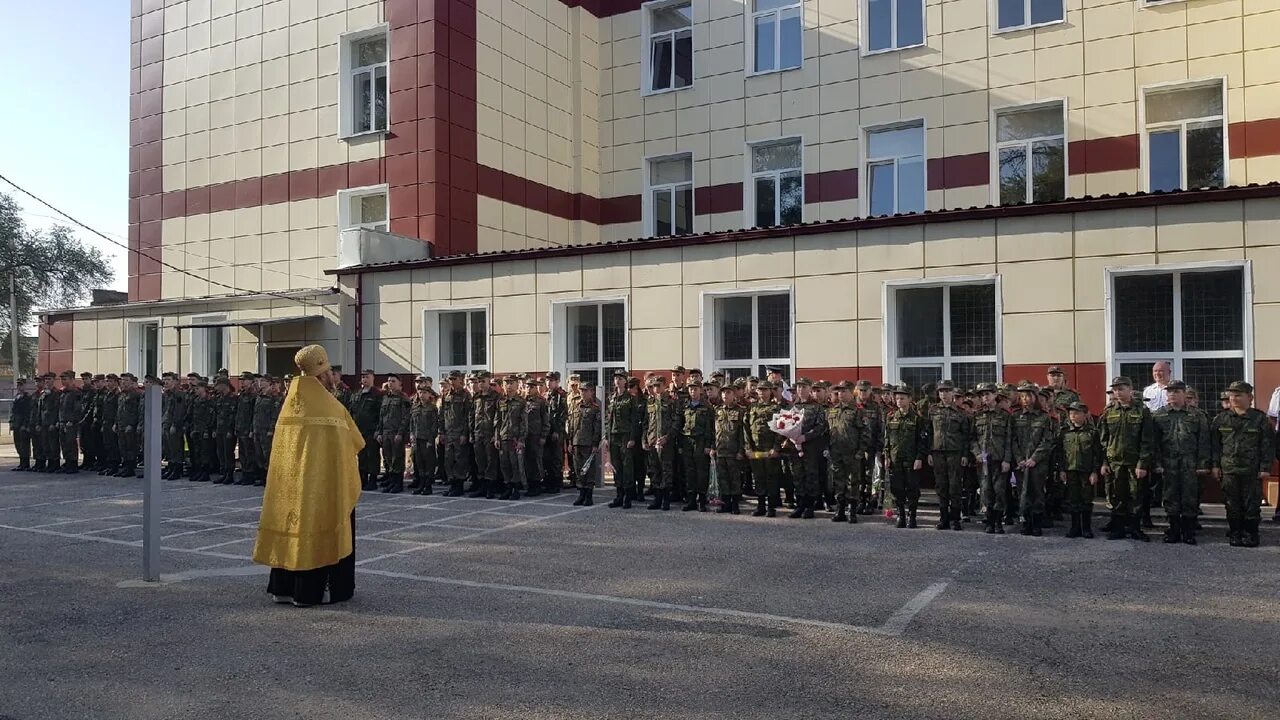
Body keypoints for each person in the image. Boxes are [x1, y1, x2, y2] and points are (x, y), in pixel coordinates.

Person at [254, 345, 363, 608]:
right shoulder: (331, 406)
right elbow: (354, 442)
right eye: (330, 373)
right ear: (323, 373)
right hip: (320, 486)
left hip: (290, 486)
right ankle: (315, 592)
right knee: (321, 528)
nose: (332, 378)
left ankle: (283, 589)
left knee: (291, 527)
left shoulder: (290, 403)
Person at [1210, 381, 1276, 548]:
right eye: (1232, 395)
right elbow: (1215, 446)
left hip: (1252, 470)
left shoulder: (1259, 419)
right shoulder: (1221, 419)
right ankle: (1235, 533)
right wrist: (1215, 466)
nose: (1234, 398)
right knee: (1231, 503)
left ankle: (1251, 534)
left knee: (1251, 503)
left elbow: (1267, 446)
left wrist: (1265, 468)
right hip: (1229, 469)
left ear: (1250, 397)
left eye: (1238, 395)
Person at [1151, 381, 1211, 545]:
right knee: (1170, 496)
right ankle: (1173, 529)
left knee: (1189, 497)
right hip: (1168, 463)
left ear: (1184, 394)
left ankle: (1188, 531)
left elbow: (1204, 441)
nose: (1172, 394)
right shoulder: (1158, 415)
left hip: (1190, 463)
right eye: (1169, 392)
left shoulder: (1197, 415)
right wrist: (1157, 463)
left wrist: (1203, 464)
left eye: (1176, 391)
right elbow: (1154, 443)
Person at [1098, 377, 1155, 542]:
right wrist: (1104, 462)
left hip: (1134, 462)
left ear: (1130, 389)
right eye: (1115, 389)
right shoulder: (1109, 411)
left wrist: (1142, 463)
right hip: (1114, 462)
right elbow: (1103, 439)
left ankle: (1135, 528)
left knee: (1136, 496)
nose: (1118, 392)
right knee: (1117, 495)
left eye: (1121, 389)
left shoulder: (1142, 411)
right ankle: (1118, 529)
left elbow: (1147, 440)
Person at [1011, 381, 1054, 536]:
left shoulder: (1044, 417)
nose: (1026, 399)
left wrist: (1034, 458)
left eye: (1028, 396)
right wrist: (1019, 459)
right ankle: (1026, 522)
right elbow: (1013, 440)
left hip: (1038, 463)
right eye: (1022, 396)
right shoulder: (1016, 416)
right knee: (1023, 492)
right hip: (1021, 462)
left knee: (1037, 493)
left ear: (1035, 397)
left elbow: (1047, 441)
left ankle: (1037, 524)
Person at [928, 380, 971, 531]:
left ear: (953, 393)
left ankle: (955, 519)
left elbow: (966, 436)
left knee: (955, 487)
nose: (944, 394)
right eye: (941, 391)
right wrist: (929, 452)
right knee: (941, 487)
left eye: (947, 391)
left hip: (955, 453)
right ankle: (943, 519)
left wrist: (965, 455)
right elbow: (929, 433)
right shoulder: (933, 411)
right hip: (938, 452)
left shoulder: (961, 413)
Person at [884, 385, 928, 529]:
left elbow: (922, 440)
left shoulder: (917, 419)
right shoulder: (891, 417)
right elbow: (887, 439)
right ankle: (901, 515)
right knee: (897, 489)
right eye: (897, 398)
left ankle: (912, 515)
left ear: (909, 399)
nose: (899, 401)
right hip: (895, 459)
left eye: (902, 398)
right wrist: (887, 456)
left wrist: (919, 458)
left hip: (911, 460)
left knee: (912, 489)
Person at [1057, 402, 1102, 539]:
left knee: (1086, 500)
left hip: (1086, 471)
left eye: (1076, 413)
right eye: (1071, 413)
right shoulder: (1064, 432)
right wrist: (1061, 470)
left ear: (1085, 414)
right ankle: (1075, 528)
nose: (1073, 416)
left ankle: (1086, 528)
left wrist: (1094, 471)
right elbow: (1060, 453)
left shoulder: (1092, 432)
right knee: (1073, 499)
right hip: (1070, 470)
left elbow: (1097, 454)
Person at [826, 381, 869, 524]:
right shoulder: (833, 410)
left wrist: (861, 451)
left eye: (844, 391)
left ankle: (852, 511)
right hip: (836, 452)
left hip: (852, 452)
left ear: (852, 393)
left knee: (853, 482)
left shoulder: (858, 410)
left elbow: (865, 432)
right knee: (838, 481)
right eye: (839, 391)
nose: (840, 394)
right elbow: (828, 431)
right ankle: (840, 510)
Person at [972, 383, 1012, 534]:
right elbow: (972, 438)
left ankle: (998, 521)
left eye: (988, 394)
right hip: (983, 461)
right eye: (982, 395)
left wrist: (1007, 460)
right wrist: (977, 453)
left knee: (999, 491)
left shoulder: (1004, 415)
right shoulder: (977, 415)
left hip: (999, 459)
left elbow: (1009, 439)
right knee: (986, 490)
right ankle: (989, 521)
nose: (985, 397)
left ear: (995, 395)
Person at [746, 381, 784, 517]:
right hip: (756, 449)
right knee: (758, 477)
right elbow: (746, 429)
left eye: (765, 389)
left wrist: (776, 448)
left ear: (770, 391)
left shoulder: (776, 408)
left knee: (771, 478)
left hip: (770, 449)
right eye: (760, 390)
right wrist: (748, 448)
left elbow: (780, 430)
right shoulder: (751, 408)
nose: (762, 392)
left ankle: (771, 507)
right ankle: (760, 506)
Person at [604, 373, 642, 509]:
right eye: (616, 378)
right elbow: (608, 419)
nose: (617, 381)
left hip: (625, 436)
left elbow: (635, 420)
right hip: (614, 435)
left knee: (627, 467)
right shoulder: (612, 398)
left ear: (625, 381)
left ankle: (627, 497)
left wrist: (632, 438)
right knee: (617, 466)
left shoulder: (631, 398)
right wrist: (607, 437)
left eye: (620, 378)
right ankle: (619, 495)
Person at [644, 375, 680, 511]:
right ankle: (657, 499)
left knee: (666, 471)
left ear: (664, 386)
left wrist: (668, 437)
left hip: (666, 442)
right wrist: (645, 440)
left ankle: (666, 499)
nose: (656, 388)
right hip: (653, 441)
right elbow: (646, 423)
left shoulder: (672, 401)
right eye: (654, 386)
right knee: (655, 471)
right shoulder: (650, 402)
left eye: (658, 385)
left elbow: (676, 423)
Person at [679, 382, 715, 512]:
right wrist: (681, 445)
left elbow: (710, 428)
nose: (693, 391)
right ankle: (691, 501)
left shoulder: (707, 407)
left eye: (695, 389)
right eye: (691, 389)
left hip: (701, 442)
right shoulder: (685, 406)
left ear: (700, 390)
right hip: (687, 441)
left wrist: (708, 445)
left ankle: (702, 501)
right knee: (689, 472)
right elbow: (680, 425)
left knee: (701, 473)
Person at [712, 383, 747, 514]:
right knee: (723, 479)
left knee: (735, 479)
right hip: (720, 450)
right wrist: (713, 447)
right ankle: (725, 504)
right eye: (723, 392)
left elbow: (743, 433)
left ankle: (735, 505)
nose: (725, 395)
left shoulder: (740, 411)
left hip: (733, 451)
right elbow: (713, 431)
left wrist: (741, 450)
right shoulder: (717, 410)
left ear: (734, 395)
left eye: (728, 392)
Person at [567, 381, 602, 506]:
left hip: (588, 443)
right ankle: (581, 494)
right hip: (576, 442)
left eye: (585, 390)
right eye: (581, 390)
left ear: (591, 392)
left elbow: (597, 428)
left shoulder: (595, 408)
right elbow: (571, 425)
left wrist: (595, 444)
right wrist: (570, 442)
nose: (582, 393)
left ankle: (589, 496)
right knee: (578, 470)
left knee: (589, 470)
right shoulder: (576, 406)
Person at [495, 375, 527, 500]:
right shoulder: (501, 401)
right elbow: (497, 421)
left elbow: (524, 422)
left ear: (517, 385)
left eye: (511, 383)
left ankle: (515, 489)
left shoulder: (521, 402)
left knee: (515, 464)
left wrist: (521, 439)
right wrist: (496, 437)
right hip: (503, 437)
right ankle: (508, 487)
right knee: (504, 464)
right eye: (506, 383)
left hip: (515, 438)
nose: (508, 386)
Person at [377, 375, 410, 493]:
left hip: (396, 433)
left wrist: (400, 433)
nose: (390, 383)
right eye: (389, 381)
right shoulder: (386, 397)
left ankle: (398, 484)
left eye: (393, 381)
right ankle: (391, 482)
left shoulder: (403, 398)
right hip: (386, 432)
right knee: (388, 459)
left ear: (399, 383)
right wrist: (379, 432)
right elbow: (381, 417)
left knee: (397, 459)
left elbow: (406, 417)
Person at [349, 370, 382, 491]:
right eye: (363, 377)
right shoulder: (357, 394)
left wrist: (378, 430)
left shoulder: (377, 394)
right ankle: (363, 480)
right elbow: (351, 411)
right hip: (359, 430)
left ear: (373, 378)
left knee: (372, 456)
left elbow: (381, 414)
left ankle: (373, 480)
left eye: (367, 377)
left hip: (372, 430)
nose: (364, 379)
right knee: (362, 456)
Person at [409, 377, 439, 496]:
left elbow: (434, 425)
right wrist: (411, 434)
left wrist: (431, 439)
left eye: (424, 393)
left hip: (426, 439)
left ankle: (428, 486)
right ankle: (421, 484)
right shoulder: (415, 407)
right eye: (420, 392)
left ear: (429, 394)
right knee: (419, 463)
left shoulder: (432, 408)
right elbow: (412, 423)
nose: (422, 395)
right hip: (417, 439)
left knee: (428, 463)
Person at [253, 377, 282, 488]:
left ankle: (270, 477)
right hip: (257, 429)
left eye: (264, 381)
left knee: (267, 454)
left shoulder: (273, 398)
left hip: (266, 430)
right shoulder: (259, 397)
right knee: (259, 454)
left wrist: (271, 429)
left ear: (269, 383)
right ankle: (262, 476)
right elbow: (255, 414)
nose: (261, 383)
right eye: (260, 381)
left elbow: (274, 415)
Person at [543, 371, 568, 494]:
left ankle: (556, 483)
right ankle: (549, 481)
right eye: (547, 380)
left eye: (551, 380)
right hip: (547, 430)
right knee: (546, 457)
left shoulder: (561, 396)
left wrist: (557, 430)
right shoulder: (546, 395)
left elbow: (563, 414)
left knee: (556, 458)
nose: (549, 383)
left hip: (557, 430)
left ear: (557, 381)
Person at [235, 372, 259, 486]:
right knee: (242, 453)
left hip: (248, 428)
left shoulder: (254, 396)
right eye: (241, 381)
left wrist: (251, 429)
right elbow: (238, 413)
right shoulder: (242, 395)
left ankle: (250, 474)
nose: (242, 383)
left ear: (251, 381)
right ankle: (245, 473)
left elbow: (254, 414)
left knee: (250, 453)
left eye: (244, 380)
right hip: (241, 427)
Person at [10, 378, 33, 471]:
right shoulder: (17, 397)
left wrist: (26, 424)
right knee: (18, 444)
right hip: (16, 424)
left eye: (21, 385)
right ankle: (21, 463)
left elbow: (28, 412)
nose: (19, 387)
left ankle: (26, 464)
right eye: (18, 385)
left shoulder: (28, 398)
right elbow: (13, 412)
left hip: (23, 424)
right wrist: (11, 422)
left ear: (25, 386)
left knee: (24, 445)